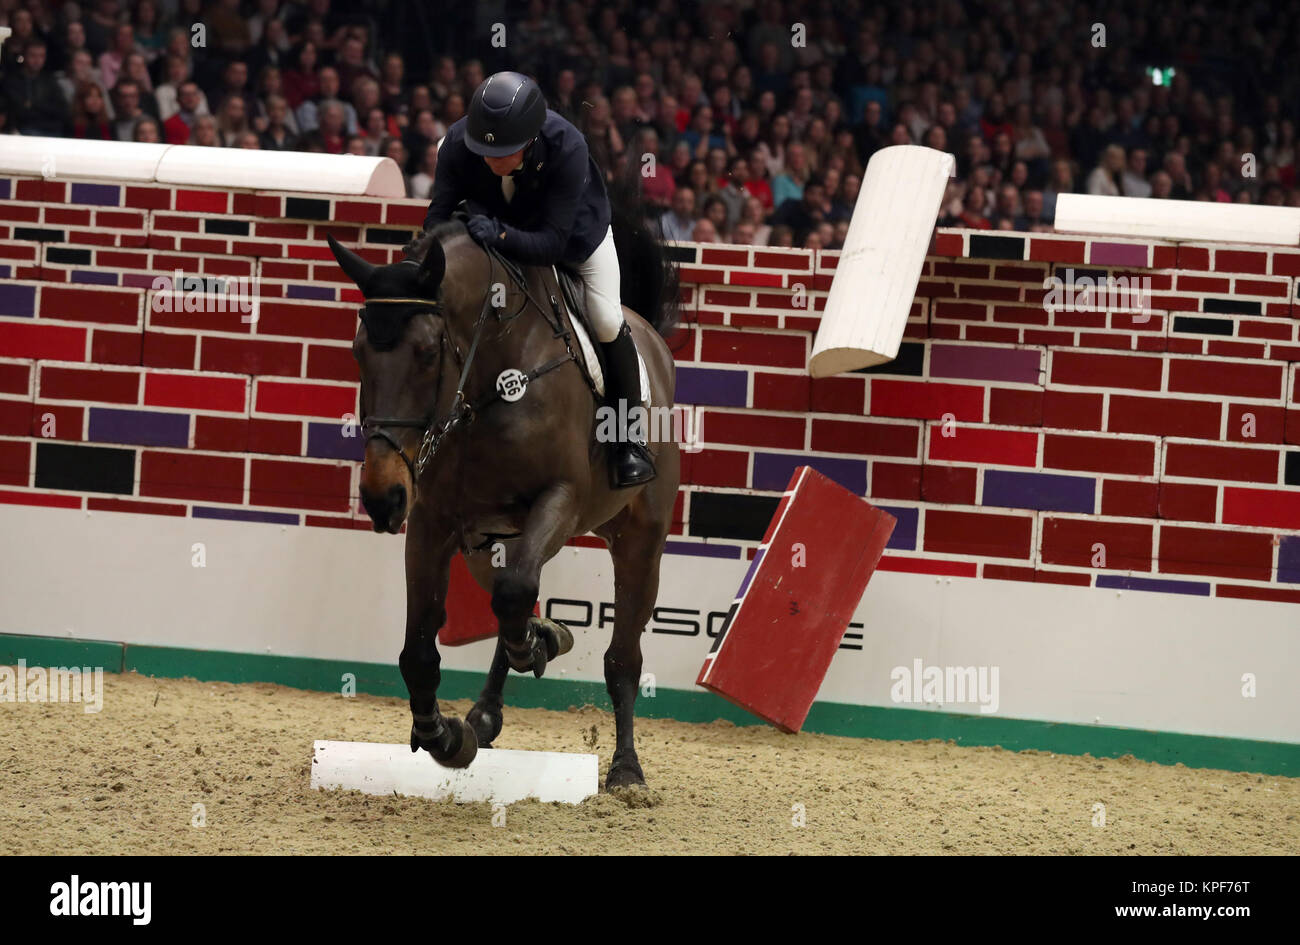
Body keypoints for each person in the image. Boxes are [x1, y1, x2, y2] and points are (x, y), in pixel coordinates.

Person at [422, 71, 655, 488]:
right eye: (484, 151)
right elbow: (437, 218)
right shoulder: (459, 145)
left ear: (530, 141)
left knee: (603, 316)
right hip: (498, 229)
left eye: (504, 153)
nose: (491, 161)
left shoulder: (569, 149)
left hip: (574, 242)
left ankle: (628, 439)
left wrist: (502, 234)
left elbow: (550, 244)